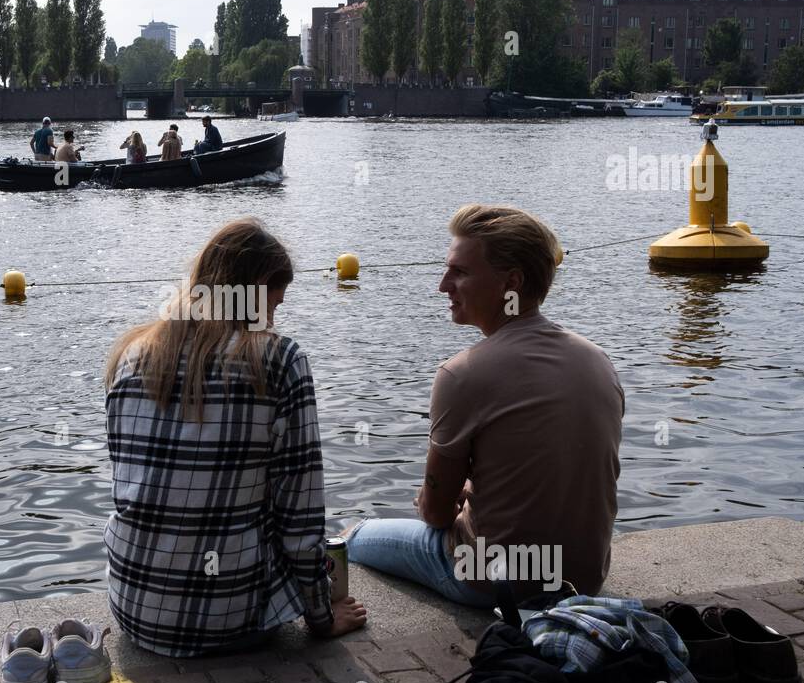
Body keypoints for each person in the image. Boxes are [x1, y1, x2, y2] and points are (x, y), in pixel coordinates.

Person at [104, 219, 367, 657]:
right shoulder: (281, 361)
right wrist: (321, 616)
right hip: (229, 621)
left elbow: (129, 485)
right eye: (275, 304)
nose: (273, 319)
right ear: (257, 287)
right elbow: (300, 518)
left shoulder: (132, 353)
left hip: (135, 609)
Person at [345, 205, 624, 605]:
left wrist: (436, 500)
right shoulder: (598, 360)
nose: (443, 285)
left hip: (497, 580)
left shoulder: (462, 374)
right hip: (584, 575)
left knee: (355, 537)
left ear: (511, 283)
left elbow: (436, 516)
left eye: (459, 272)